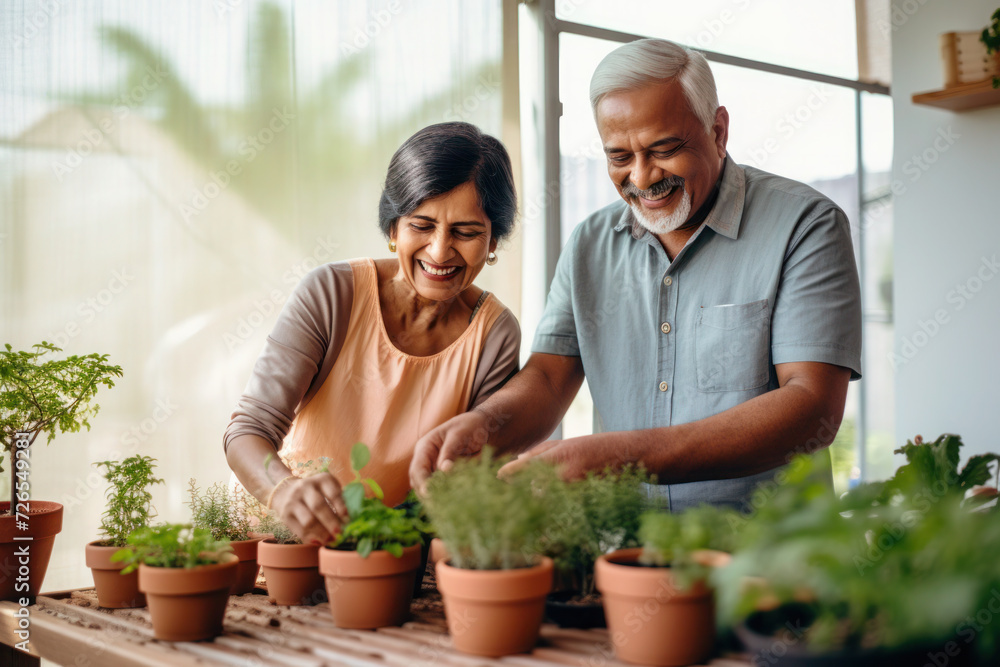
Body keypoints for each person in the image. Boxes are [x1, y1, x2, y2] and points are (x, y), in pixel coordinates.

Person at [410, 39, 862, 512]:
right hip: (624, 557)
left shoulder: (806, 225)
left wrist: (623, 457)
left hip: (766, 565)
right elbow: (547, 377)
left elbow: (812, 407)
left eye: (663, 150)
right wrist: (481, 426)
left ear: (719, 131)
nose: (643, 178)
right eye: (620, 157)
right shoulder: (590, 243)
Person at [225, 122, 520, 543]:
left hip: (387, 557)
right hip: (276, 550)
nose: (439, 251)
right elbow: (247, 431)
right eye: (421, 225)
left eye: (466, 232)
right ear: (392, 228)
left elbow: (467, 479)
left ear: (493, 242)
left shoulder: (494, 335)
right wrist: (283, 491)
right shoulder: (331, 294)